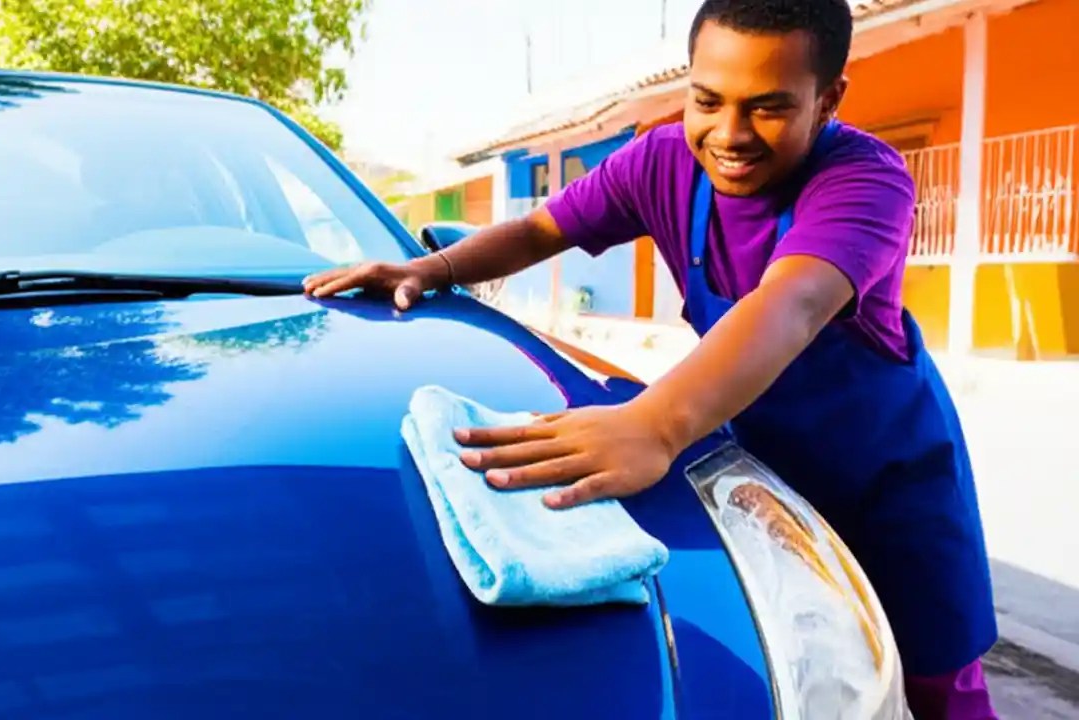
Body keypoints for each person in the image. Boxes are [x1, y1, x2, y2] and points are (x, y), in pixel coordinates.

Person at [303, 1, 998, 717]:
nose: (729, 134)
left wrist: (654, 427)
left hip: (890, 487)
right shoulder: (662, 163)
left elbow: (791, 305)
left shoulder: (865, 181)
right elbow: (541, 229)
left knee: (936, 684)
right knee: (801, 681)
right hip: (761, 479)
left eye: (768, 108)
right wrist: (435, 268)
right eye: (707, 100)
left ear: (828, 100)